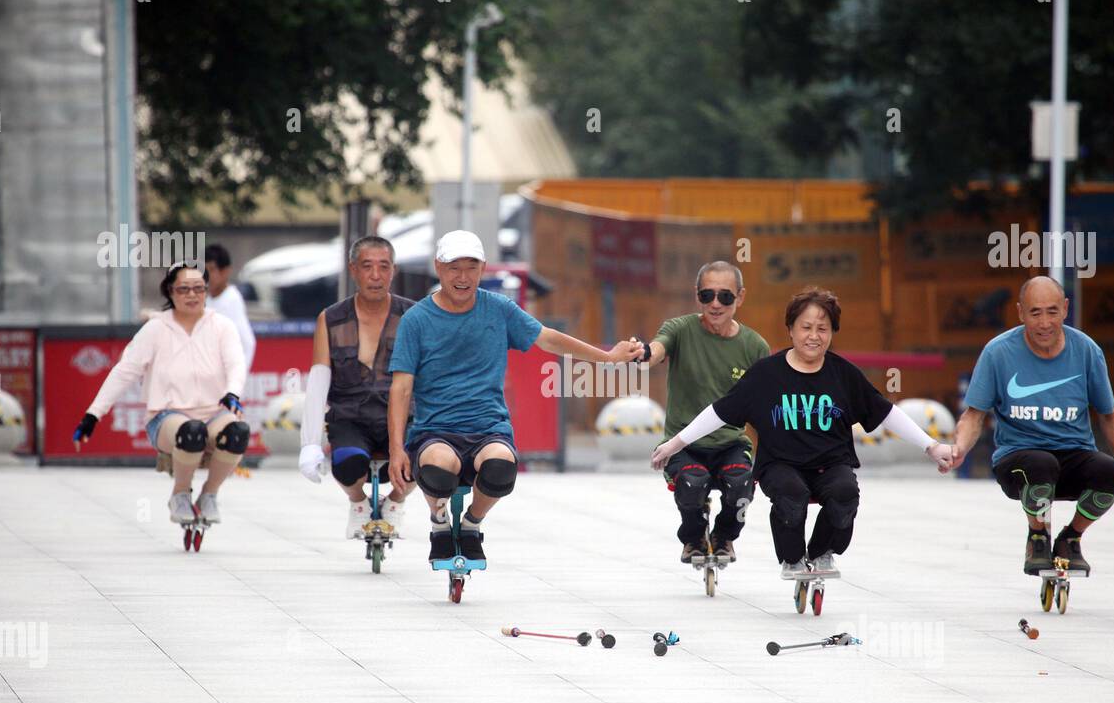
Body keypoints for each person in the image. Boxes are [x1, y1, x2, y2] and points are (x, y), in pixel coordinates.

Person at [652, 287, 955, 583]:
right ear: (791, 330)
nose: (813, 336)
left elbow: (886, 412)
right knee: (791, 496)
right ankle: (793, 557)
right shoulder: (766, 374)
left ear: (832, 333)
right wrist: (674, 444)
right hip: (781, 465)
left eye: (822, 329)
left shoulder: (844, 374)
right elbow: (719, 412)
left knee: (845, 494)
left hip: (831, 464)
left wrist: (931, 446)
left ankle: (823, 551)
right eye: (806, 327)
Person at [387, 229, 643, 563]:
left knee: (501, 467)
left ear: (483, 268)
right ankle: (438, 521)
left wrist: (607, 357)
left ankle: (471, 523)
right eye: (454, 268)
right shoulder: (417, 320)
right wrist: (396, 450)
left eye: (471, 267)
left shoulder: (498, 309)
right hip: (436, 429)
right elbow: (401, 388)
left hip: (487, 427)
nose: (463, 277)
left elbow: (548, 339)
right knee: (438, 467)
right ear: (438, 267)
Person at [950, 276, 1114, 574]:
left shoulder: (1086, 351)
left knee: (1110, 474)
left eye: (1052, 312)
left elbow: (1109, 415)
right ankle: (1038, 536)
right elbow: (974, 414)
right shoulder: (998, 352)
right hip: (1020, 459)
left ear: (1065, 309)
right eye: (1035, 313)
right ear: (1020, 313)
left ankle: (1070, 538)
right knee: (1041, 465)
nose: (1044, 323)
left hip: (1072, 454)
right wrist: (960, 448)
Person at [73, 261, 249, 523]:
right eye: (184, 289)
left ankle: (209, 494)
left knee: (237, 433)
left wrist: (232, 392)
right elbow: (124, 372)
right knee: (192, 432)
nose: (192, 295)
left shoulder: (222, 326)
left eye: (199, 289)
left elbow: (236, 363)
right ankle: (180, 494)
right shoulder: (155, 330)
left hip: (214, 412)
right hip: (168, 416)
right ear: (170, 292)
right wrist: (93, 415)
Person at [640, 260, 770, 562]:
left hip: (731, 444)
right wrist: (644, 353)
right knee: (691, 483)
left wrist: (774, 456)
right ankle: (694, 535)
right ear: (697, 295)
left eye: (725, 296)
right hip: (683, 444)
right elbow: (656, 349)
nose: (715, 304)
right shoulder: (680, 329)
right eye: (706, 295)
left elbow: (766, 407)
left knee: (741, 487)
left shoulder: (755, 346)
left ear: (740, 297)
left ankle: (724, 536)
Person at [298, 236, 414, 539]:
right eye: (367, 266)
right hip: (349, 417)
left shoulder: (414, 317)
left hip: (403, 417)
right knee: (347, 463)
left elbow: (430, 376)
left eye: (383, 267)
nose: (375, 275)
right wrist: (309, 442)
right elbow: (319, 380)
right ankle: (358, 503)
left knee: (425, 458)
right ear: (353, 270)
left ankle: (396, 504)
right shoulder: (331, 319)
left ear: (393, 271)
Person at [204, 243, 256, 376]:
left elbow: (247, 343)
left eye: (211, 270)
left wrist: (235, 382)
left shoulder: (231, 300)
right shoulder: (205, 299)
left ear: (225, 271)